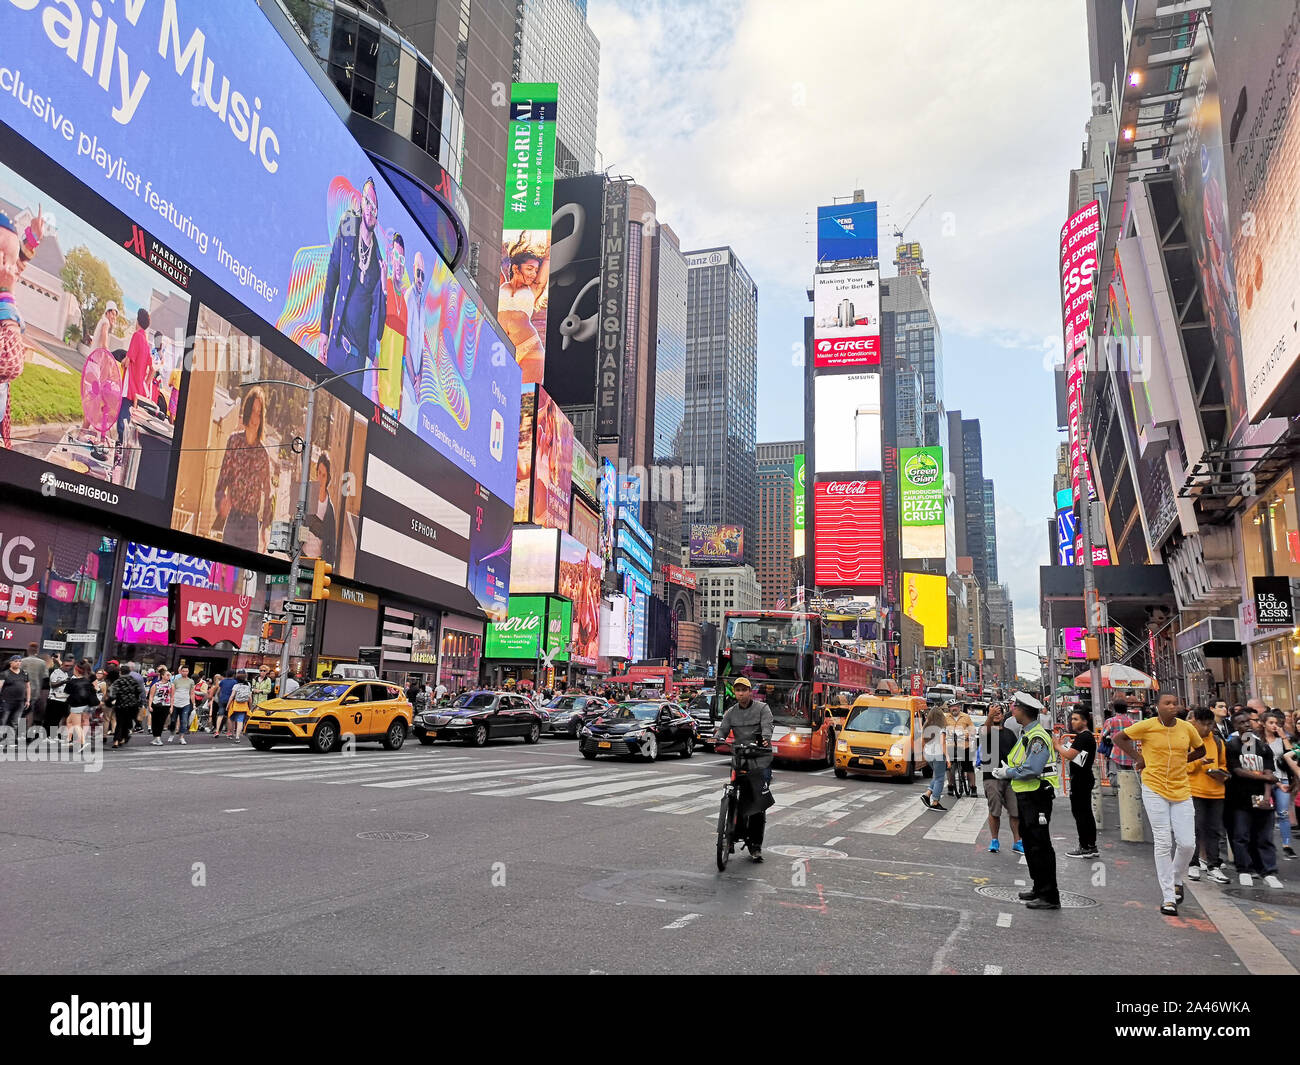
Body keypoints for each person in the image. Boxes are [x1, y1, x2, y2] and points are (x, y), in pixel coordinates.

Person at [1112, 691, 1205, 915]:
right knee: (1163, 842)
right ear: (1158, 706)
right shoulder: (1147, 726)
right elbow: (1119, 738)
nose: (1173, 706)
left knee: (1187, 843)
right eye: (1168, 703)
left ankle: (1175, 878)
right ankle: (1168, 897)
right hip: (1154, 787)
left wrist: (1184, 761)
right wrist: (1139, 758)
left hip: (1181, 789)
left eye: (1176, 703)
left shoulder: (1187, 728)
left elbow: (1200, 750)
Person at [989, 692, 1061, 910]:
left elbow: (1033, 768)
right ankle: (1039, 888)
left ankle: (1049, 895)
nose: (1012, 710)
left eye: (1015, 707)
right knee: (1030, 843)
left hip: (1037, 795)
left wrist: (1008, 772)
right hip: (1026, 795)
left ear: (1024, 711)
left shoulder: (1037, 736)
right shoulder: (1026, 733)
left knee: (1040, 844)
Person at [320, 176, 386, 392]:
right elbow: (332, 277)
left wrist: (384, 290)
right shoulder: (349, 223)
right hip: (337, 346)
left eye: (374, 207)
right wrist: (323, 330)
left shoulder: (378, 261)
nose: (370, 210)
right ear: (361, 202)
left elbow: (379, 325)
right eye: (367, 202)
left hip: (356, 364)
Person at [712, 676, 774, 862]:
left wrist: (765, 738)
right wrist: (718, 738)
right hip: (739, 759)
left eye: (744, 690)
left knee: (757, 803)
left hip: (760, 758)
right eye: (737, 690)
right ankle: (729, 837)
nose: (740, 693)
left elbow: (767, 727)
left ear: (750, 692)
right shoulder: (731, 712)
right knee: (733, 796)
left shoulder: (763, 708)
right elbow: (722, 730)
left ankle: (755, 845)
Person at [1226, 710, 1284, 888]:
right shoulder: (1233, 745)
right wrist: (1265, 778)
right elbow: (1237, 771)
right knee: (1241, 834)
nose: (1247, 724)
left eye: (1249, 721)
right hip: (1240, 797)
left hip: (1260, 795)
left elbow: (1269, 770)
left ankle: (1268, 870)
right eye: (1242, 722)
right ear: (1235, 726)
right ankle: (1244, 869)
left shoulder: (1262, 746)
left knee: (1263, 835)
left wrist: (1267, 795)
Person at [212, 388, 273, 554]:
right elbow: (221, 483)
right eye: (253, 411)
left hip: (251, 527)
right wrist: (221, 503)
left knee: (242, 578)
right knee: (225, 576)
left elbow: (268, 494)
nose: (255, 418)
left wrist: (264, 530)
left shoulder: (263, 454)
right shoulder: (233, 442)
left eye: (259, 413)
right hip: (232, 521)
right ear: (246, 412)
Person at [1186, 707, 1231, 883]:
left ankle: (1213, 865)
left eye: (1209, 724)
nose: (1207, 728)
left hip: (1217, 791)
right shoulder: (1188, 740)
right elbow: (1184, 766)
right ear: (1194, 723)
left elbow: (1224, 764)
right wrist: (1198, 761)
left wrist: (1221, 773)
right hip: (1194, 790)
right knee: (1195, 829)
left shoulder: (1218, 742)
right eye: (1203, 724)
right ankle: (1193, 863)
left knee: (1214, 831)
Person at [497, 247, 547, 383]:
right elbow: (495, 261)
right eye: (529, 269)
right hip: (501, 349)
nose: (533, 274)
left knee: (525, 399)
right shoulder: (502, 284)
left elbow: (548, 258)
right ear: (515, 268)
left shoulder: (534, 289)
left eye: (536, 270)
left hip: (530, 348)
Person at [1055, 708, 1098, 859]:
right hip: (1083, 777)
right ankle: (1091, 845)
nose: (1072, 722)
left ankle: (1085, 846)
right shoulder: (1085, 737)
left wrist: (1058, 746)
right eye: (1072, 719)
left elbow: (1070, 755)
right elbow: (1079, 758)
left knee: (1080, 813)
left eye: (1076, 719)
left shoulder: (1084, 737)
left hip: (1081, 779)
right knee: (1085, 812)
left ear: (1085, 721)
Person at [979, 702, 1022, 854]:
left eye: (999, 712)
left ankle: (1017, 841)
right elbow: (984, 731)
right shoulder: (986, 730)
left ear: (1003, 715)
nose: (996, 714)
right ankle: (994, 840)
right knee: (994, 811)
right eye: (992, 712)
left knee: (1015, 811)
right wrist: (990, 716)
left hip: (1010, 778)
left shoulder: (1010, 733)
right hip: (991, 777)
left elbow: (1017, 754)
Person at [376, 232, 407, 414]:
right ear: (390, 257)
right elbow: (376, 340)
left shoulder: (404, 304)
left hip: (393, 403)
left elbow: (402, 360)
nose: (398, 264)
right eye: (395, 256)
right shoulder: (383, 286)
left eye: (402, 259)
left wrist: (400, 400)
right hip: (378, 393)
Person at [116, 308, 153, 458]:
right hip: (139, 392)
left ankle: (119, 456)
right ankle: (124, 456)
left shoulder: (137, 336)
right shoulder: (146, 342)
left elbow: (128, 361)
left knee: (121, 424)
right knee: (130, 425)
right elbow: (153, 369)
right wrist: (145, 382)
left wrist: (122, 360)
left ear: (137, 320)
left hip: (129, 388)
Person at [1262, 711, 1296, 860]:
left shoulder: (1282, 738)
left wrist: (1283, 736)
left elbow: (1292, 754)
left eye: (1276, 723)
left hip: (1282, 779)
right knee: (1262, 812)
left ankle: (1287, 845)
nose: (1274, 726)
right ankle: (1264, 844)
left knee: (1283, 813)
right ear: (1263, 724)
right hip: (1262, 782)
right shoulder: (1256, 740)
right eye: (1271, 723)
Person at [400, 251, 428, 429]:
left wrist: (421, 378)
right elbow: (407, 343)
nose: (419, 279)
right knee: (403, 426)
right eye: (418, 273)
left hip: (417, 385)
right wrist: (412, 379)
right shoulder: (409, 297)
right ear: (413, 271)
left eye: (422, 275)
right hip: (407, 380)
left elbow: (423, 349)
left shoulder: (422, 306)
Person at [303, 453, 338, 566]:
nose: (321, 478)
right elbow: (298, 523)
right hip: (302, 557)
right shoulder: (308, 497)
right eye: (319, 473)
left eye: (324, 475)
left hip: (317, 564)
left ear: (328, 477)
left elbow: (331, 544)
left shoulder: (330, 510)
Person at [920, 705, 950, 811]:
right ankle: (935, 801)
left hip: (928, 754)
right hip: (938, 754)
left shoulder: (926, 726)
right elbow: (942, 743)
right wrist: (948, 758)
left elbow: (922, 742)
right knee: (940, 779)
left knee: (937, 776)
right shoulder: (942, 727)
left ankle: (927, 794)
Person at [64, 659, 97, 753]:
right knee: (72, 721)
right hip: (86, 703)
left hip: (78, 704)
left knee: (77, 723)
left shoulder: (75, 680)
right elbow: (94, 689)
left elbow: (67, 691)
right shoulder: (88, 678)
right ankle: (70, 740)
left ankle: (82, 741)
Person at [945, 701, 976, 797]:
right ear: (949, 708)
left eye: (956, 706)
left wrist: (966, 734)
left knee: (969, 767)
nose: (954, 708)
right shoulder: (946, 717)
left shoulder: (966, 717)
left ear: (959, 707)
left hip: (964, 746)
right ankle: (950, 786)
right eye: (951, 707)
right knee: (949, 768)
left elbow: (972, 729)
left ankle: (973, 787)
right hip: (951, 746)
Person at [107, 665, 141, 749]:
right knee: (127, 722)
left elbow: (112, 694)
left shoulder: (118, 681)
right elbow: (139, 691)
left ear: (120, 672)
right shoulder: (134, 681)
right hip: (132, 705)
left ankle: (116, 741)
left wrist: (109, 702)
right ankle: (123, 737)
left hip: (121, 704)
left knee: (120, 722)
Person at [0, 654, 29, 747]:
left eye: (20, 661)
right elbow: (0, 687)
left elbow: (28, 687)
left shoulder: (24, 673)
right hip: (6, 701)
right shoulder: (5, 673)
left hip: (20, 701)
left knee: (15, 721)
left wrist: (27, 700)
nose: (18, 663)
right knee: (3, 721)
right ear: (10, 662)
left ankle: (10, 741)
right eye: (16, 661)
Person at [44, 654, 72, 744]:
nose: (68, 667)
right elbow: (52, 684)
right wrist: (64, 681)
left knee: (57, 719)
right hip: (54, 699)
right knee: (51, 718)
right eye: (66, 665)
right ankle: (47, 736)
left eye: (69, 666)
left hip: (63, 699)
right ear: (62, 664)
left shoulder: (66, 674)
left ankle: (53, 735)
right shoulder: (56, 672)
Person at [168, 665, 195, 744]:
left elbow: (192, 694)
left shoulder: (191, 681)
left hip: (186, 703)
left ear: (188, 672)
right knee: (173, 720)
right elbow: (172, 693)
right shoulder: (176, 681)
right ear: (180, 671)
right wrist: (171, 704)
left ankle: (181, 737)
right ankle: (172, 733)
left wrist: (193, 704)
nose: (185, 673)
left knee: (184, 721)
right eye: (183, 671)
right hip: (175, 703)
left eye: (186, 671)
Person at [147, 667, 173, 745]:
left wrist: (171, 706)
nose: (169, 676)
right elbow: (151, 696)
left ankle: (158, 738)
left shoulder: (171, 685)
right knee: (155, 721)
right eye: (167, 675)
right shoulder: (156, 685)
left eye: (170, 675)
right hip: (156, 704)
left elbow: (172, 696)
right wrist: (150, 705)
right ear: (162, 676)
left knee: (161, 722)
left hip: (166, 705)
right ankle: (155, 737)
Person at [227, 671, 253, 743]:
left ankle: (232, 733)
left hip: (235, 705)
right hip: (244, 706)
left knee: (232, 719)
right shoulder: (248, 685)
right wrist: (250, 706)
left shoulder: (236, 686)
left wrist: (228, 705)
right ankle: (237, 736)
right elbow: (250, 698)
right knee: (240, 721)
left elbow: (232, 696)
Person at [212, 669, 237, 738]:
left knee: (220, 715)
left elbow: (219, 691)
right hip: (230, 701)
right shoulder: (235, 682)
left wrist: (220, 697)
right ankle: (228, 733)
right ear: (233, 675)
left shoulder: (222, 681)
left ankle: (217, 731)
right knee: (229, 716)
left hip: (222, 700)